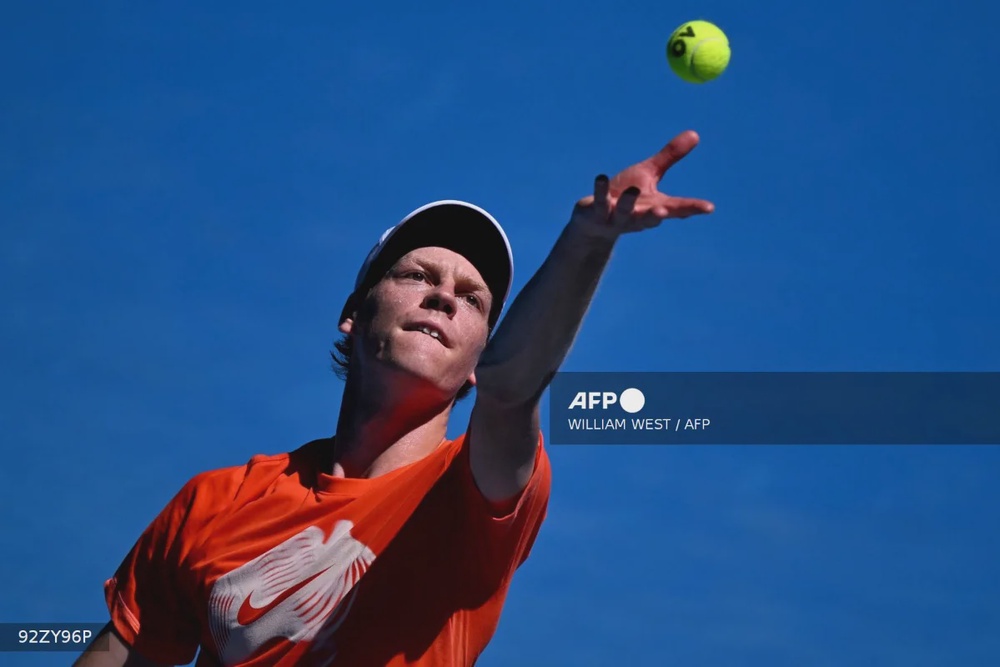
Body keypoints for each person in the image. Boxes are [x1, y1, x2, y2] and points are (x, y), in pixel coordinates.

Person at [74, 130, 714, 667]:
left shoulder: (475, 494)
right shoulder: (212, 504)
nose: (445, 297)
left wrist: (589, 241)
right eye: (418, 275)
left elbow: (513, 390)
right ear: (353, 314)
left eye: (473, 300)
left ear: (476, 365)